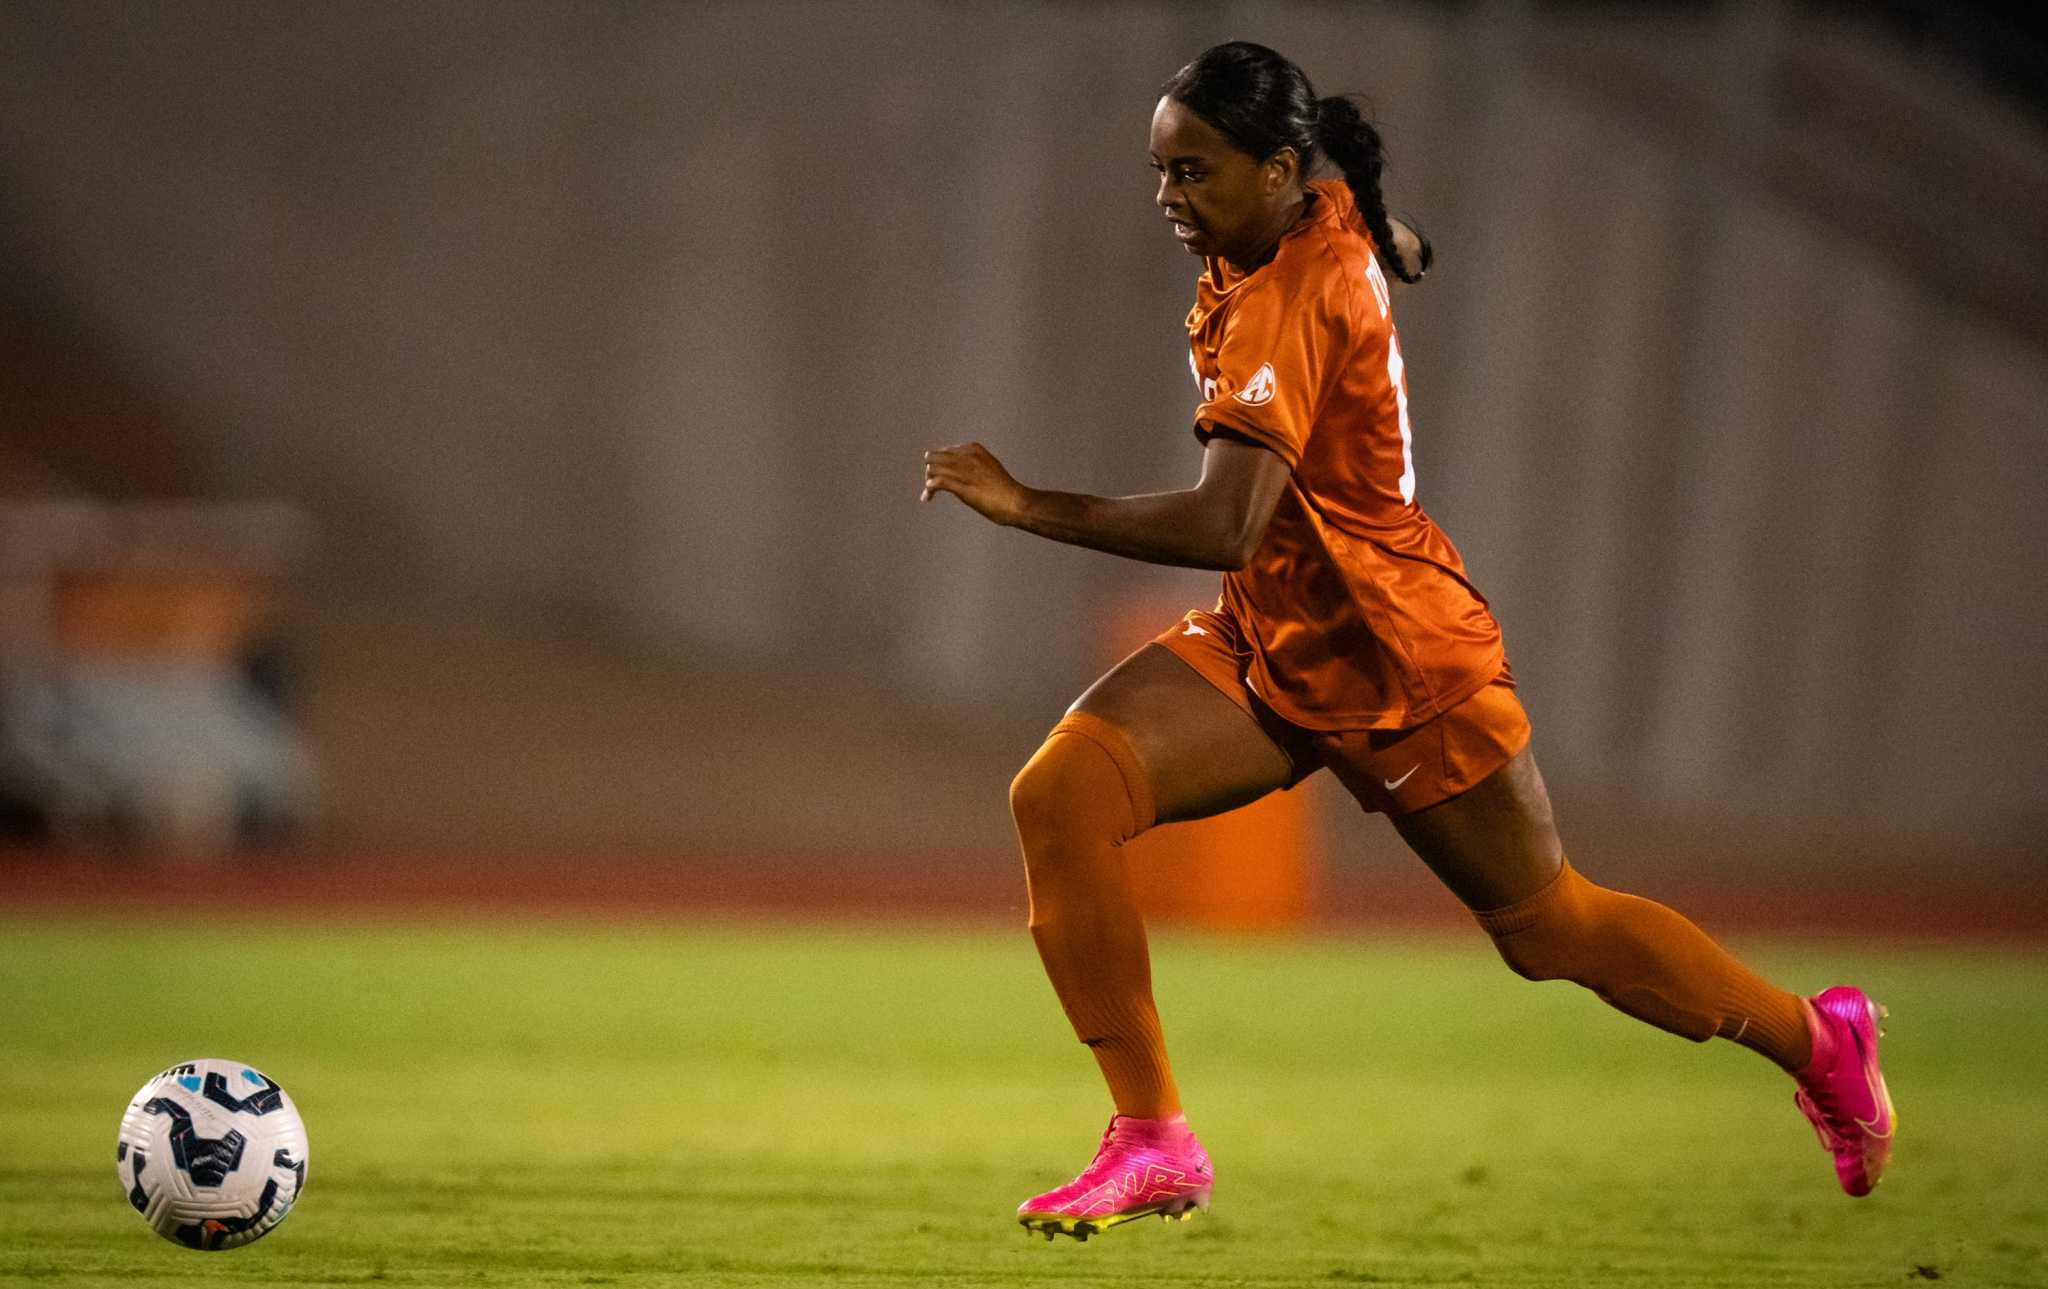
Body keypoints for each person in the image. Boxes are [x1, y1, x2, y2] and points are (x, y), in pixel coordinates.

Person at [919, 40, 1894, 1242]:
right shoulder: (1308, 214)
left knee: (1548, 929)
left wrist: (1030, 505)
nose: (1169, 201)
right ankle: (1153, 1139)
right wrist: (1391, 250)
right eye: (1159, 173)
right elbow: (1397, 242)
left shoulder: (1286, 291)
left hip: (1394, 654)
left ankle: (1817, 1036)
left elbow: (1227, 522)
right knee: (1060, 794)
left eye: (1194, 174)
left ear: (1277, 167)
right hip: (1273, 632)